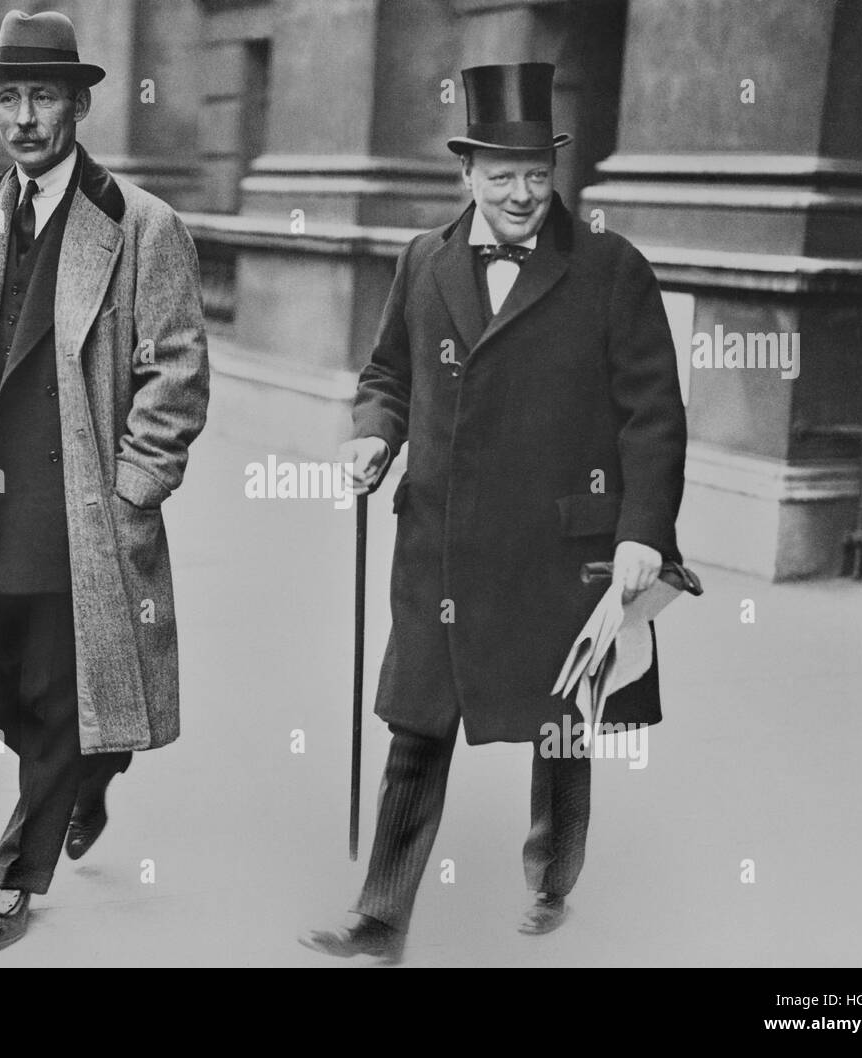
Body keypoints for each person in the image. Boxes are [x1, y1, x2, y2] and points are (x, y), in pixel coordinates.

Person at [300, 63, 687, 963]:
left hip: (558, 544)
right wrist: (373, 436)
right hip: (439, 538)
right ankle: (380, 917)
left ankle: (553, 877)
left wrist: (641, 533)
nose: (521, 194)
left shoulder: (609, 269)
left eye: (536, 173)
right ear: (465, 173)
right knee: (417, 720)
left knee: (559, 723)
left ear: (556, 172)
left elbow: (652, 416)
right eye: (500, 175)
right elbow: (388, 375)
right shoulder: (423, 260)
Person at [0, 9, 209, 953]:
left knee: (62, 688)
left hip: (81, 509)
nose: (24, 118)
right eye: (10, 99)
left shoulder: (141, 224)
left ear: (78, 103)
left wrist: (136, 487)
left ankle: (15, 879)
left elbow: (177, 366)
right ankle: (96, 767)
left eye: (42, 98)